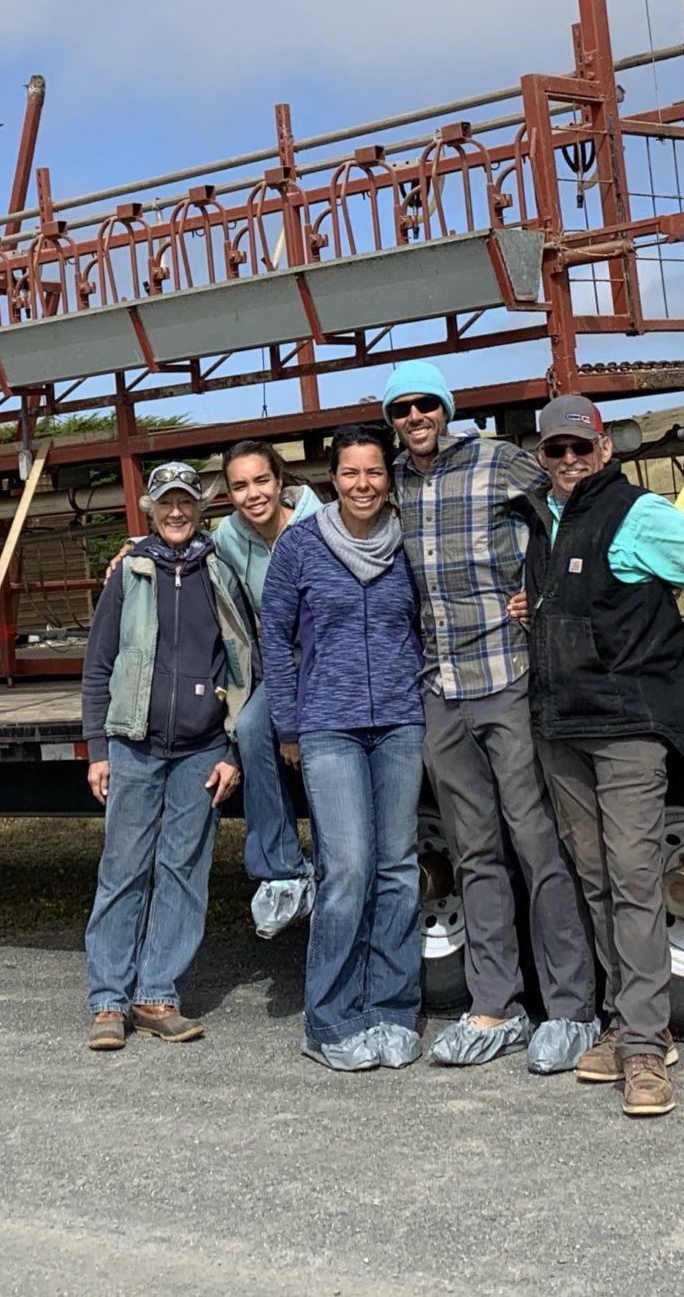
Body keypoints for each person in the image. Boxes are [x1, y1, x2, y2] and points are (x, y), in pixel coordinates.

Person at [517, 394, 684, 1118]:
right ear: (542, 456)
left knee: (633, 880)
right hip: (562, 727)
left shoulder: (636, 514)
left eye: (579, 448)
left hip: (628, 723)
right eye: (554, 451)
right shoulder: (543, 518)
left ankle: (643, 1046)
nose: (568, 461)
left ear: (604, 450)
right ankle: (623, 1020)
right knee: (596, 879)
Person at [379, 359, 600, 1074]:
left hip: (507, 677)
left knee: (538, 845)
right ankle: (494, 1006)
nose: (416, 417)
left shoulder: (499, 461)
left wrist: (541, 587)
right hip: (439, 690)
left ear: (446, 409)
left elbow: (575, 499)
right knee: (475, 853)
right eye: (403, 408)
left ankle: (572, 1008)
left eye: (426, 404)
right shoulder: (395, 481)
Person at [256, 424, 428, 1072]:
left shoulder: (409, 542)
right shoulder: (301, 546)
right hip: (329, 726)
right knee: (348, 868)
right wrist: (289, 725)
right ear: (333, 478)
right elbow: (275, 637)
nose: (363, 484)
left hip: (399, 722)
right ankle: (328, 1021)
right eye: (351, 473)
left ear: (390, 477)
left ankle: (391, 1010)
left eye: (374, 472)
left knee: (398, 868)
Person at [78, 461, 250, 1052]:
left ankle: (157, 995)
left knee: (184, 872)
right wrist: (98, 748)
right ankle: (108, 1002)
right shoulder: (130, 571)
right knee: (123, 869)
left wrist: (232, 748)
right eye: (165, 503)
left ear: (200, 507)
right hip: (134, 744)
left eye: (186, 502)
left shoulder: (218, 570)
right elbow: (99, 666)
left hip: (202, 748)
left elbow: (239, 662)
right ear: (150, 510)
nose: (176, 513)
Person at [208, 441, 324, 939]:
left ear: (280, 481)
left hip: (328, 654)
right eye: (239, 486)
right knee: (254, 724)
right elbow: (186, 547)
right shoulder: (229, 536)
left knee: (323, 741)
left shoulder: (321, 522)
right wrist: (130, 550)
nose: (252, 494)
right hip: (280, 656)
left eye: (261, 481)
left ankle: (334, 862)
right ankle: (282, 870)